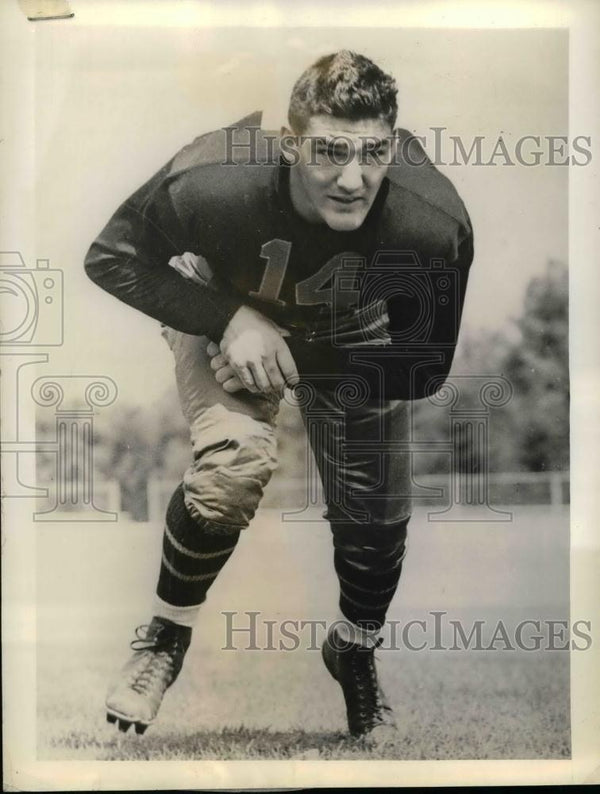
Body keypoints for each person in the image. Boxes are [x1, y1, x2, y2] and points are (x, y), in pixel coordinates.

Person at [85, 50, 473, 747]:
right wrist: (230, 321)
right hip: (223, 303)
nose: (353, 180)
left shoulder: (430, 221)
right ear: (291, 143)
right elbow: (109, 258)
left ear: (393, 141)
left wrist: (297, 356)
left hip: (352, 328)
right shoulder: (211, 179)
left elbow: (422, 366)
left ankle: (353, 650)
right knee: (234, 461)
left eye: (373, 154)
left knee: (376, 524)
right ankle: (164, 639)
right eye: (328, 153)